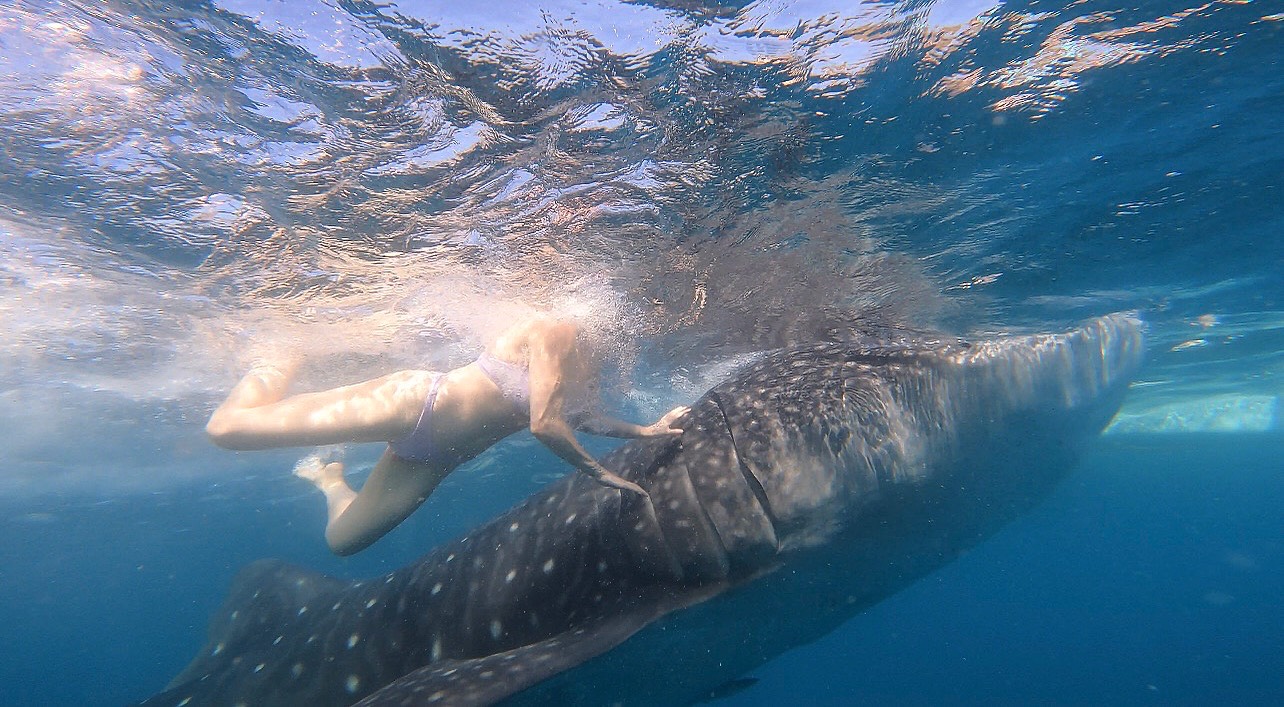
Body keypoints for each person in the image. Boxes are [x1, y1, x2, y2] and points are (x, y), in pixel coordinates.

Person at [205, 317, 687, 556]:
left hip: (436, 458)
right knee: (226, 429)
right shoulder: (555, 330)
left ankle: (330, 479)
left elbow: (581, 417)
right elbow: (545, 423)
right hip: (412, 404)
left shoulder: (590, 361)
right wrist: (601, 474)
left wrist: (646, 430)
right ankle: (278, 357)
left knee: (342, 541)